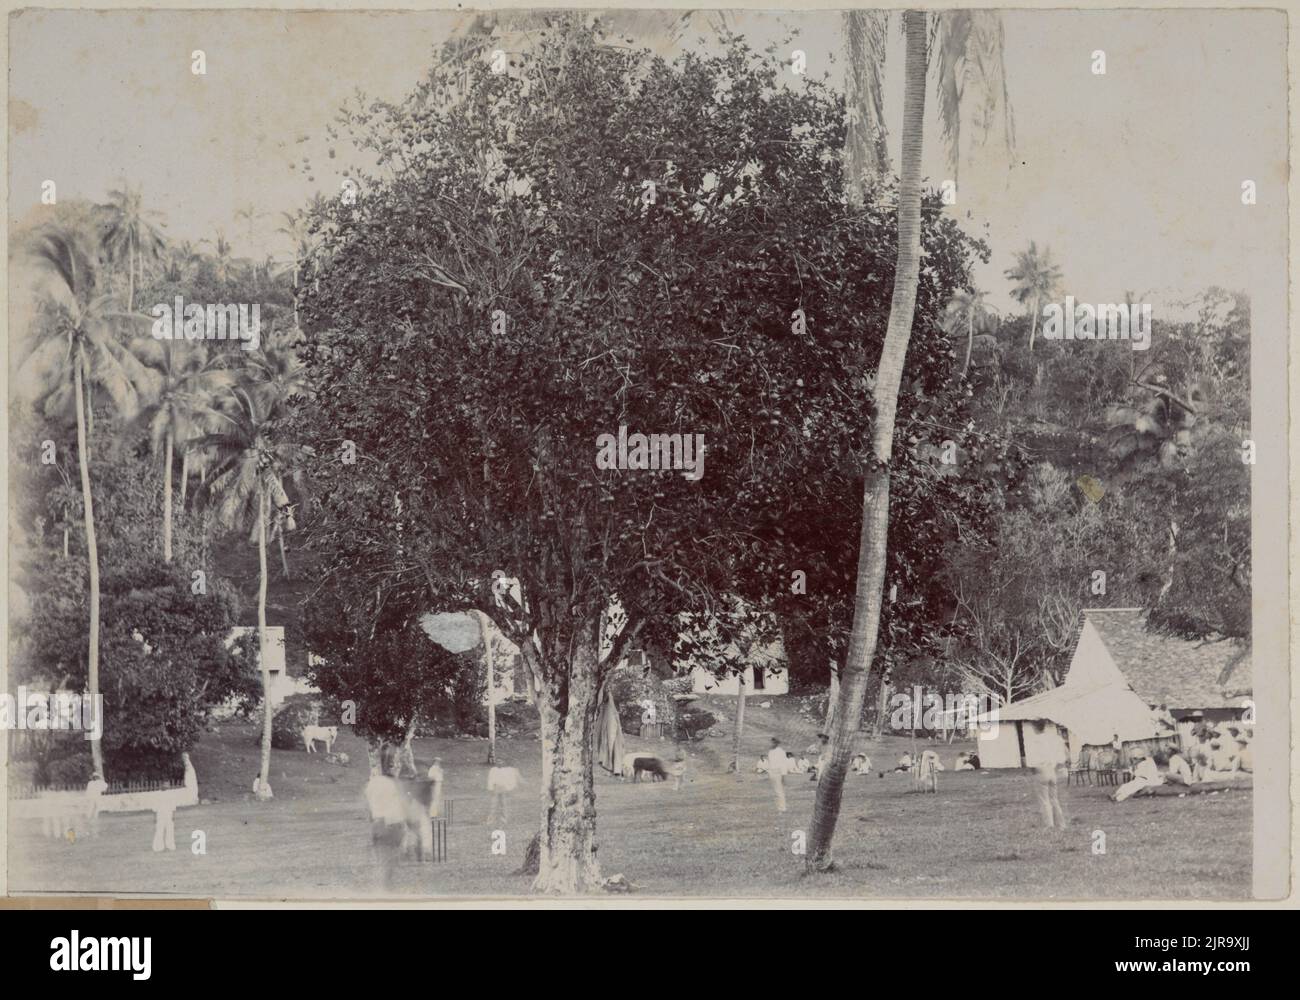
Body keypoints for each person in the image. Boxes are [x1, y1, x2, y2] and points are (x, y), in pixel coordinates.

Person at [1030, 722, 1068, 829]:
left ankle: (1049, 824)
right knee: (1054, 799)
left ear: (1035, 728)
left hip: (1041, 769)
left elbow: (1032, 761)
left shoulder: (1034, 740)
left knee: (1044, 799)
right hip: (1052, 769)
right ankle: (1061, 825)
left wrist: (1034, 770)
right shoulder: (1051, 739)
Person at [766, 737, 792, 813]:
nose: (771, 744)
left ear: (777, 743)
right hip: (772, 772)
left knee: (779, 790)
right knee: (775, 790)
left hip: (778, 772)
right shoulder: (770, 751)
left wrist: (783, 775)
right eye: (771, 742)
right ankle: (778, 807)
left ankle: (782, 807)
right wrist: (769, 772)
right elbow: (770, 763)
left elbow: (783, 764)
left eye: (773, 742)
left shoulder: (781, 752)